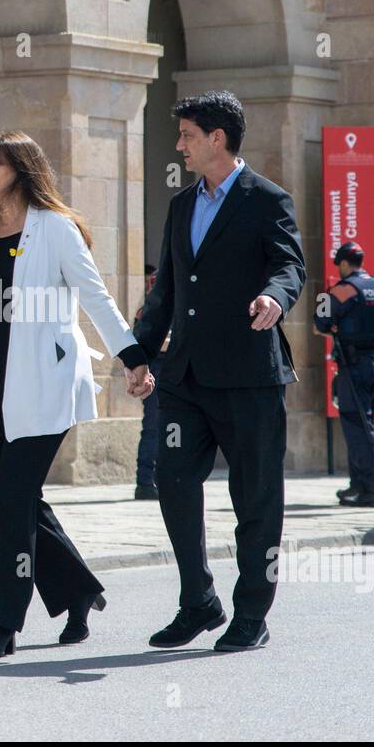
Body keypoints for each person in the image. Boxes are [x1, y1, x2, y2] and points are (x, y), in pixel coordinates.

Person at [0, 130, 153, 660]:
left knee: (7, 503)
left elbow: (95, 296)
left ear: (23, 171)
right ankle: (77, 592)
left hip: (44, 384)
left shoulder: (55, 229)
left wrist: (132, 356)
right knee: (23, 500)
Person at [134, 90, 305, 652]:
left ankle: (252, 611)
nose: (179, 144)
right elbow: (167, 292)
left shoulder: (267, 200)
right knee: (174, 482)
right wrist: (139, 355)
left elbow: (289, 265)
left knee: (256, 497)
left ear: (217, 138)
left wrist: (275, 298)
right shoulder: (182, 205)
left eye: (186, 134)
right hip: (184, 376)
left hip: (250, 376)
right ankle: (198, 602)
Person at [314, 241, 374, 507]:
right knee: (363, 422)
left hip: (354, 365)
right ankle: (358, 485)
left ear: (345, 263)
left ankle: (371, 490)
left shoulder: (345, 289)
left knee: (358, 427)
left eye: (340, 265)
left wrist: (332, 326)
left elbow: (319, 322)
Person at [133, 263, 168, 501]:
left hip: (175, 367)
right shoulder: (147, 310)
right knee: (154, 425)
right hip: (157, 366)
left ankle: (166, 477)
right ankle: (146, 481)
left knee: (173, 427)